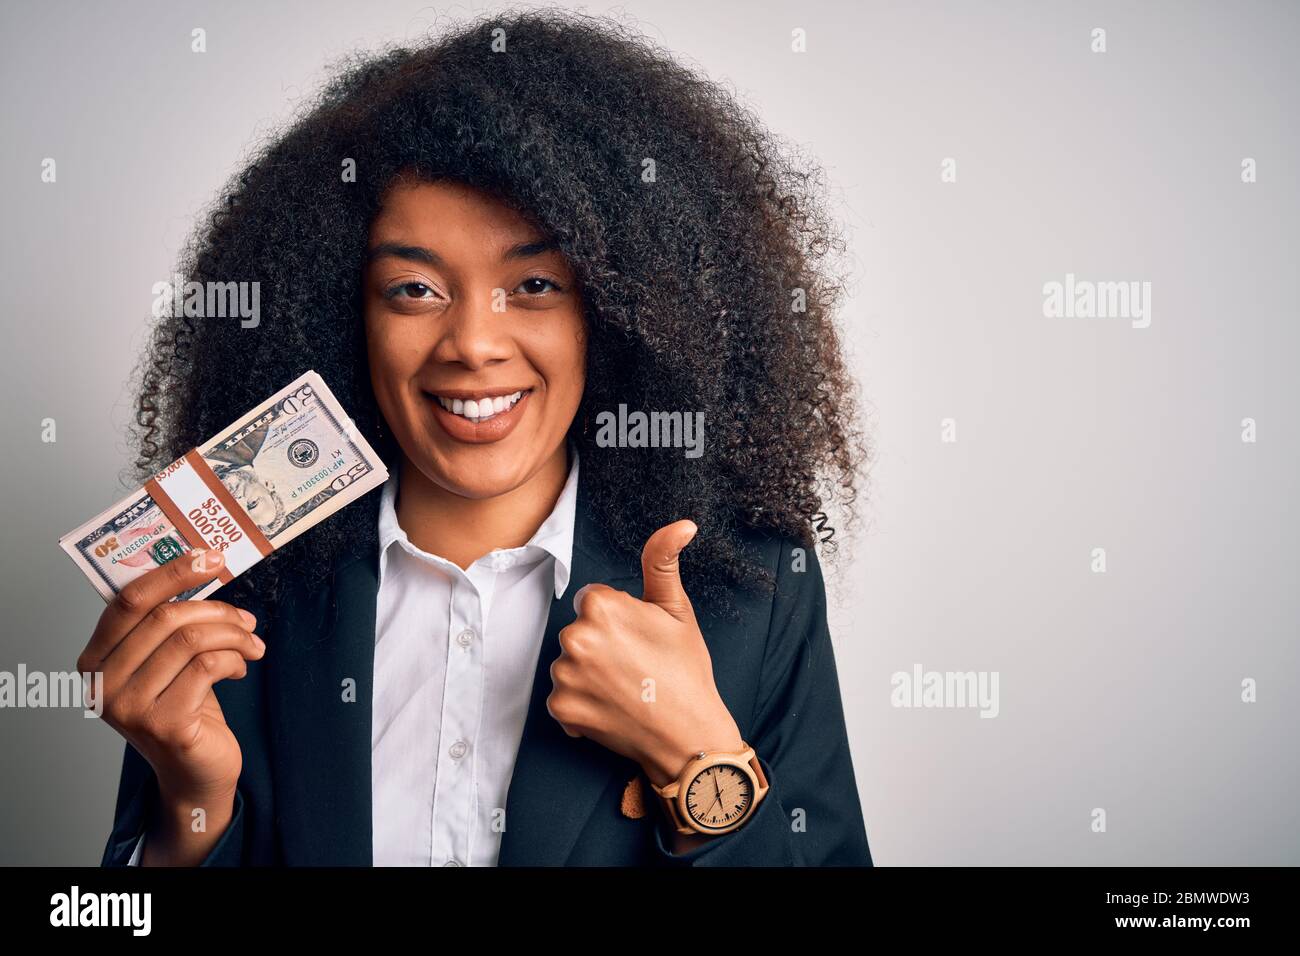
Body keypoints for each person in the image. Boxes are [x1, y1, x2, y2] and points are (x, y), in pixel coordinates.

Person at [81, 9, 871, 866]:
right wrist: (190, 813)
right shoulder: (242, 591)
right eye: (414, 290)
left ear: (616, 311)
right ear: (344, 313)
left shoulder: (751, 585)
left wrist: (700, 769)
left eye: (534, 283)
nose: (473, 343)